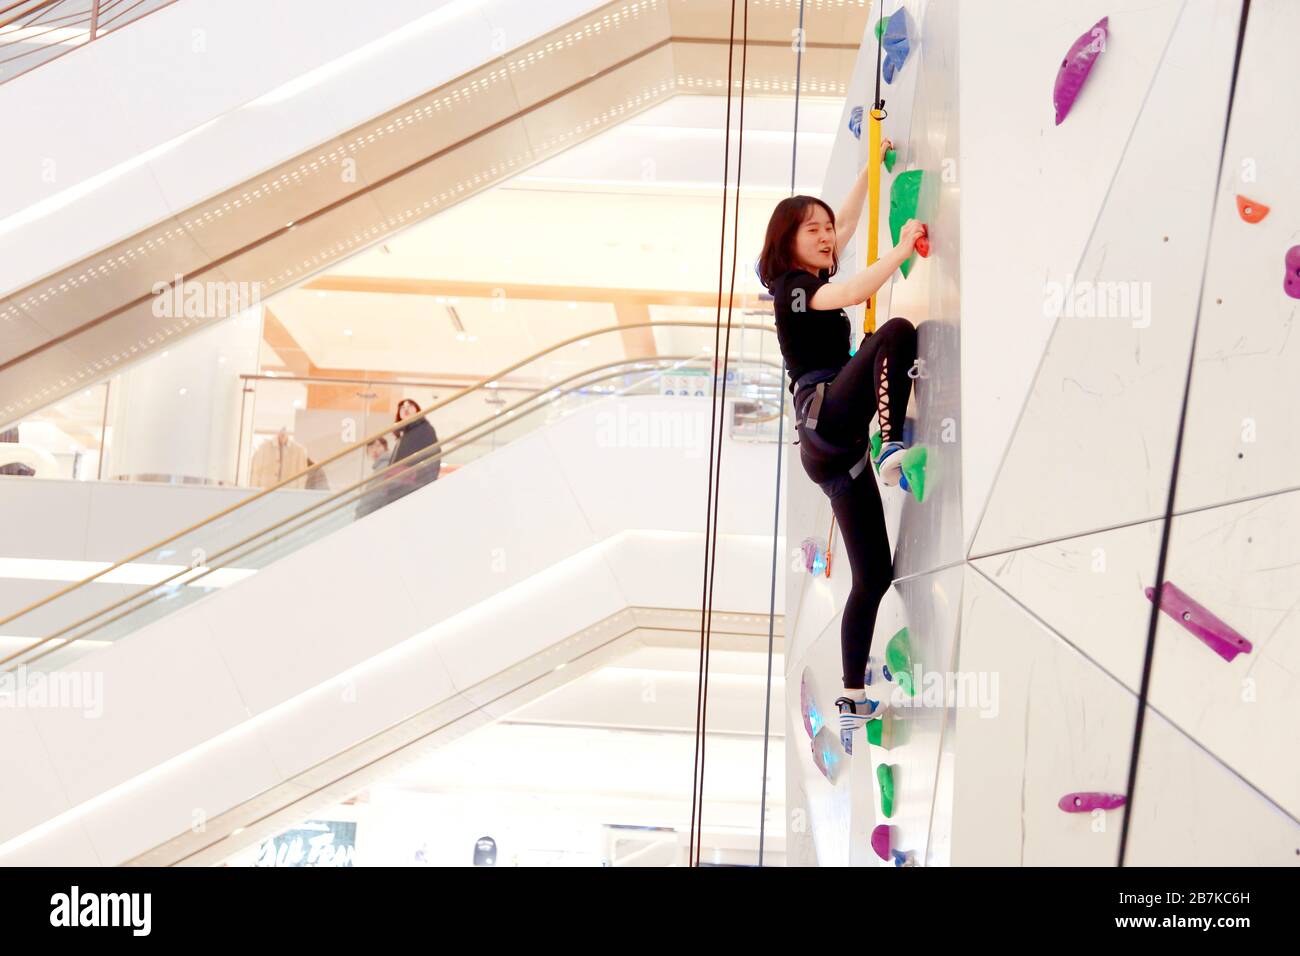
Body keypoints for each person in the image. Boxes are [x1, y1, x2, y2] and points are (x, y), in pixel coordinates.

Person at [758, 167, 925, 757]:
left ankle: (852, 695)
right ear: (788, 241)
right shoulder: (791, 287)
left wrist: (867, 165)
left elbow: (848, 223)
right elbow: (854, 293)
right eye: (813, 230)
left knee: (873, 576)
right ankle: (890, 443)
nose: (828, 237)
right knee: (895, 332)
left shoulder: (810, 273)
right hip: (829, 418)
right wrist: (904, 248)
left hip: (831, 451)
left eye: (827, 230)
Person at [384, 398, 442, 502]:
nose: (406, 409)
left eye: (410, 406)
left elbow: (434, 456)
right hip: (401, 485)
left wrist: (418, 476)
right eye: (402, 408)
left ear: (417, 410)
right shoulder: (403, 434)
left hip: (413, 486)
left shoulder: (424, 428)